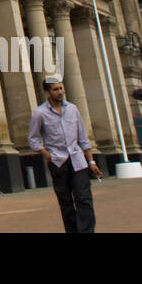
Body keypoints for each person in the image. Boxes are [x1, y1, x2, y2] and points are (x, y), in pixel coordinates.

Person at [27, 77, 100, 233]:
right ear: (47, 92)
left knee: (84, 198)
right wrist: (44, 152)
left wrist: (92, 162)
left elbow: (83, 138)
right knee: (65, 202)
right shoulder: (40, 113)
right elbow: (32, 139)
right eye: (55, 89)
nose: (60, 92)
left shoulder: (73, 109)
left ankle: (87, 231)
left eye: (61, 88)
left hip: (78, 160)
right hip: (58, 162)